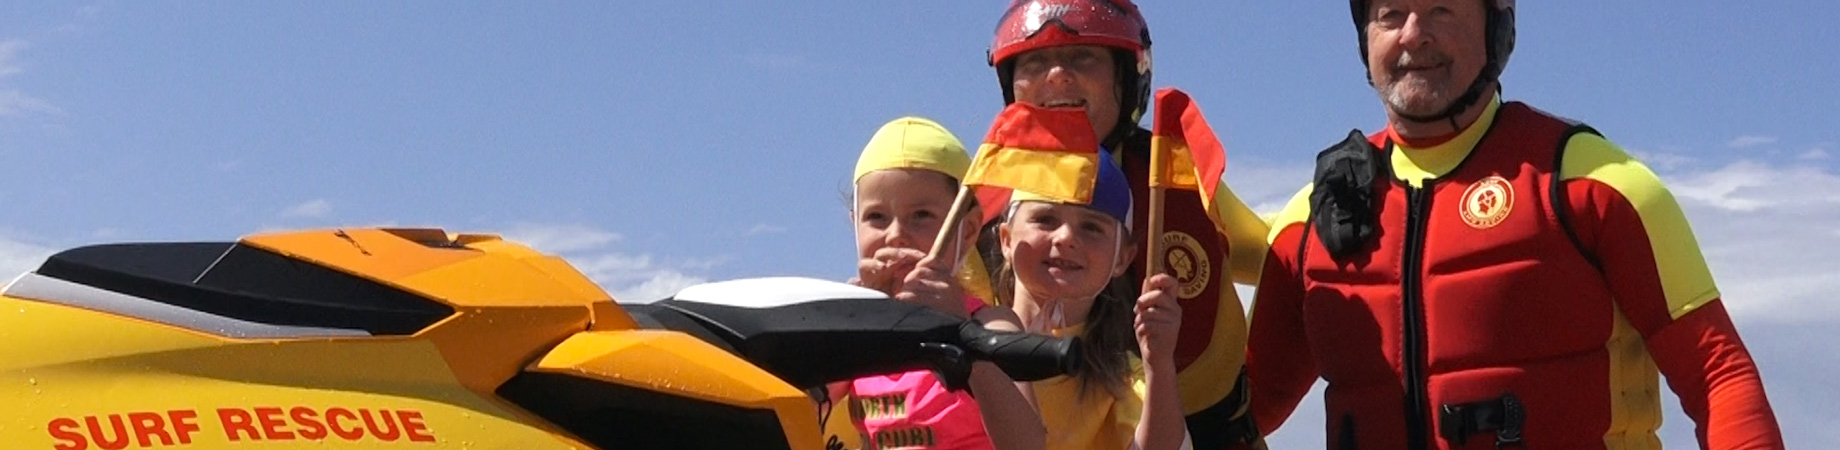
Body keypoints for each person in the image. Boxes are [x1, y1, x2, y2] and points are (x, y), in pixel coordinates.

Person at [1242, 1, 1786, 449]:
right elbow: (1235, 416)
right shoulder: (1310, 222)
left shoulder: (1594, 184)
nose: (1413, 34)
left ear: (1496, 26)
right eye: (1390, 14)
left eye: (1441, 10)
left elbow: (1719, 377)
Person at [985, 2, 1270, 446]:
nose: (1057, 75)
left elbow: (1281, 254)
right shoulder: (977, 210)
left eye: (1083, 57)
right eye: (1035, 62)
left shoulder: (1175, 177)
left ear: (1128, 77)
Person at [830, 116, 1045, 450]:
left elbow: (1028, 444)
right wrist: (846, 327)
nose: (896, 235)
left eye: (921, 216)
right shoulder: (853, 324)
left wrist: (962, 334)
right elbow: (798, 406)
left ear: (968, 230)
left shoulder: (990, 324)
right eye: (876, 217)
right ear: (854, 224)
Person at [990, 147, 1187, 450]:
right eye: (1045, 219)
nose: (1066, 237)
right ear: (1006, 239)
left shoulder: (1125, 379)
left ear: (1122, 259)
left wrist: (1159, 366)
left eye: (1091, 227)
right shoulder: (963, 339)